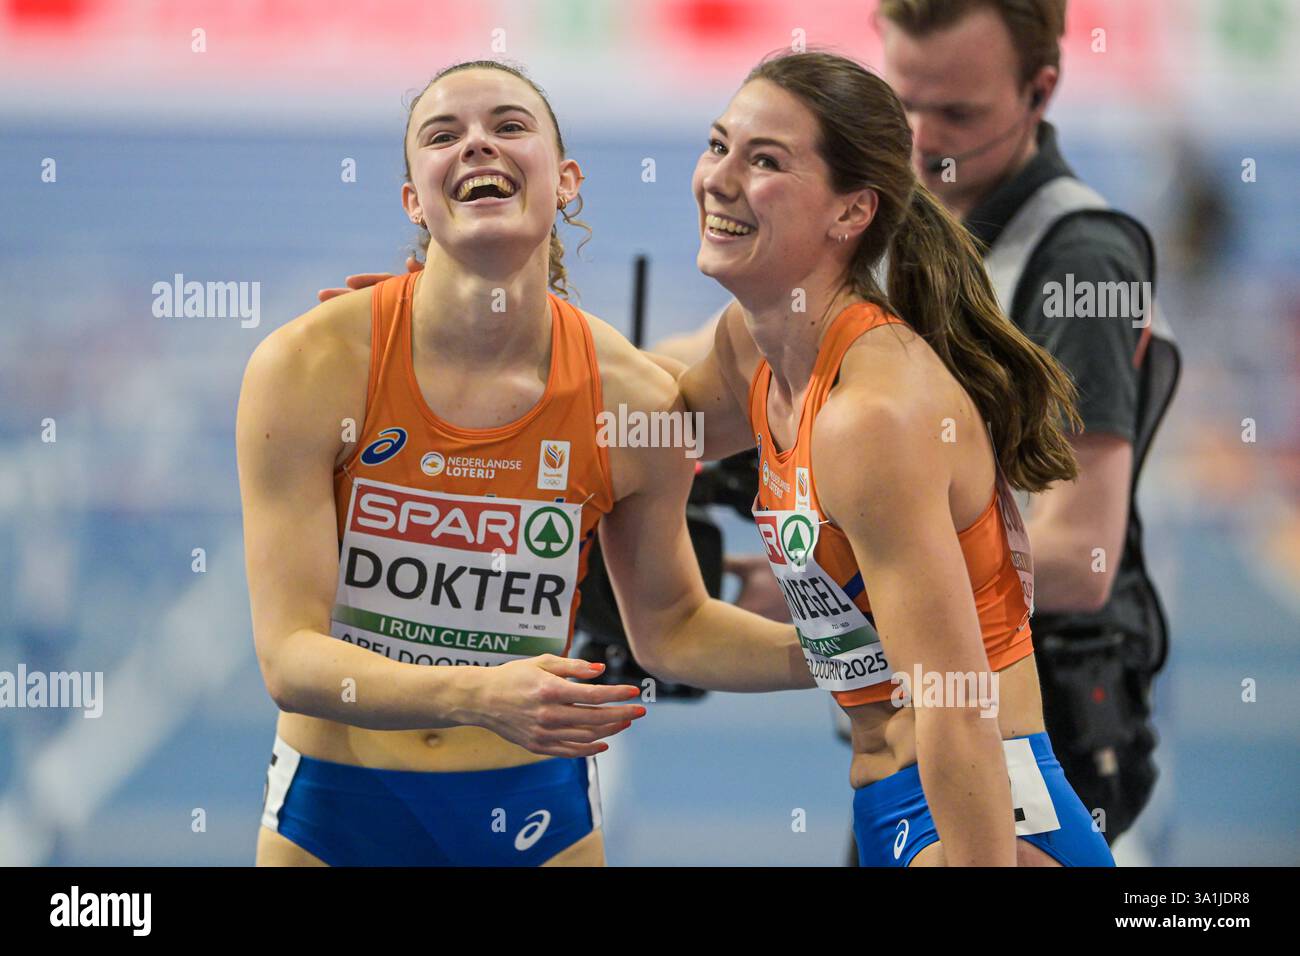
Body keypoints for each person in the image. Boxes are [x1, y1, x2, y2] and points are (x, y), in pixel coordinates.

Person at [236, 59, 809, 868]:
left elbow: (675, 627)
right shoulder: (306, 368)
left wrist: (859, 654)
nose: (476, 145)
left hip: (533, 809)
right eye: (444, 136)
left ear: (566, 180)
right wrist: (477, 692)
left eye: (508, 127)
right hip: (339, 807)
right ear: (414, 199)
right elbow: (290, 657)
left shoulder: (634, 403)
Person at [670, 50, 1115, 866]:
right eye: (718, 145)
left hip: (982, 815)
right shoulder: (754, 352)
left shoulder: (872, 419)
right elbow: (643, 418)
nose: (718, 178)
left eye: (765, 160)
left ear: (850, 213)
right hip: (896, 804)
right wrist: (419, 329)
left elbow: (953, 702)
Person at [877, 0, 1180, 846]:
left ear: (1039, 89)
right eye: (903, 100)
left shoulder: (1082, 261)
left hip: (1049, 718)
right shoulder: (906, 223)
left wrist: (865, 575)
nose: (923, 136)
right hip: (936, 700)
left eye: (959, 111)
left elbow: (1082, 557)